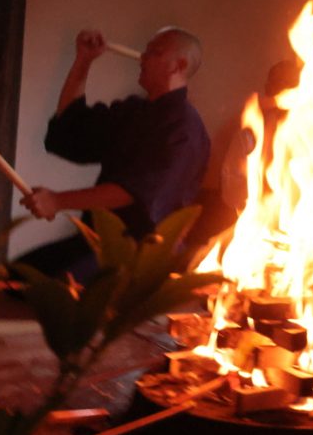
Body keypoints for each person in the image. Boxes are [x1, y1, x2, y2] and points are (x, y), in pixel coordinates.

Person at [17, 27, 211, 280]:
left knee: (47, 285)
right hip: (99, 242)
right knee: (15, 275)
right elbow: (71, 127)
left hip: (144, 254)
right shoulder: (135, 112)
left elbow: (133, 193)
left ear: (179, 65)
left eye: (154, 52)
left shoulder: (185, 129)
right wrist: (83, 60)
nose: (142, 57)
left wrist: (57, 201)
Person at [219, 58, 301, 214]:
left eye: (291, 84)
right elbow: (231, 189)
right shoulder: (251, 132)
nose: (285, 90)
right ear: (269, 89)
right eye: (279, 83)